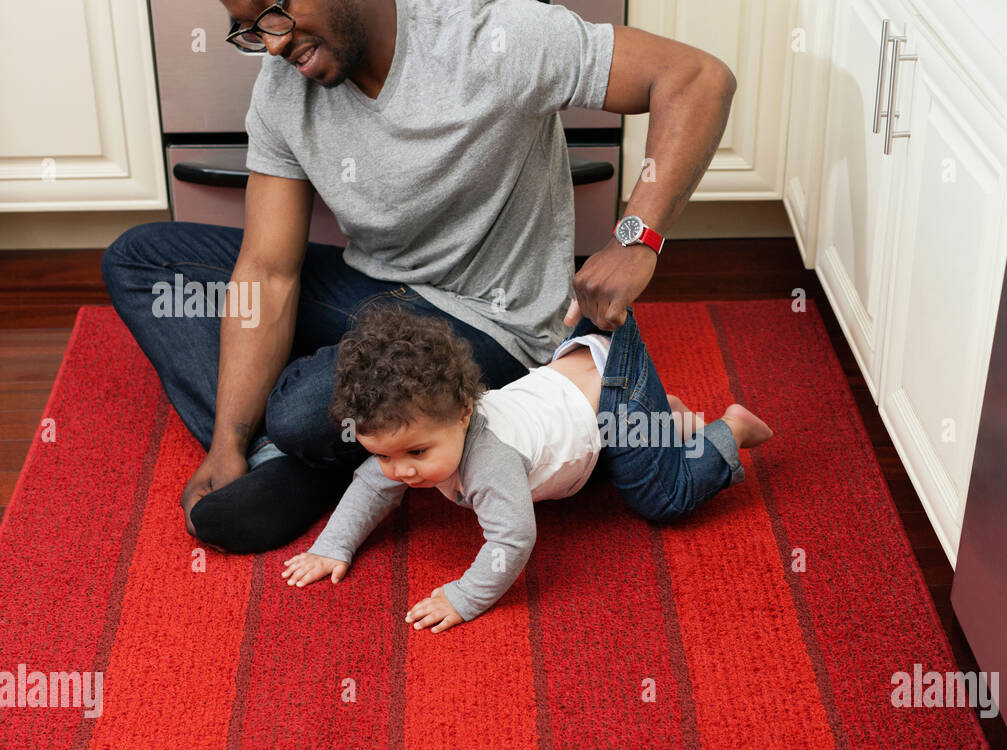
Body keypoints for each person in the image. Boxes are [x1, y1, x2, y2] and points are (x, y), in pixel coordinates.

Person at [99, 0, 737, 553]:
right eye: (247, 30)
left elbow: (697, 78)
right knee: (141, 261)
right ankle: (371, 445)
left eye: (274, 14)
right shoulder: (281, 90)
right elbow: (267, 274)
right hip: (378, 294)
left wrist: (638, 238)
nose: (272, 43)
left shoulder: (493, 38)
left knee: (300, 410)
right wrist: (226, 443)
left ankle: (339, 442)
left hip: (491, 326)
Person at [280, 303, 773, 631]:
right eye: (384, 454)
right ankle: (665, 415)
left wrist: (464, 597)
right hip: (577, 375)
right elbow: (370, 485)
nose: (400, 472)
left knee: (662, 498)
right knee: (608, 460)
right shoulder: (428, 430)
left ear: (465, 412)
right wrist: (334, 545)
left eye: (416, 454)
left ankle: (729, 429)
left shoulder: (489, 463)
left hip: (610, 394)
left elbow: (512, 540)